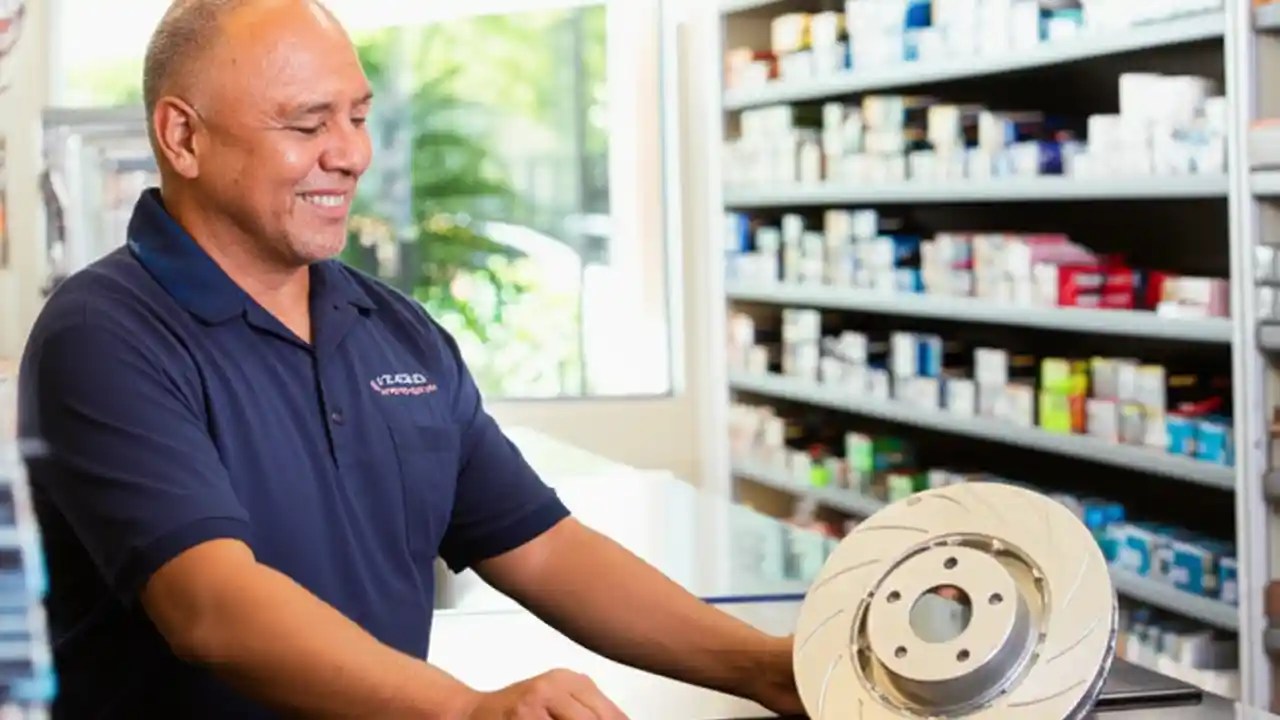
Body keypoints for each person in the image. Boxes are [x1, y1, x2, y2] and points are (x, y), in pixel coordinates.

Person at [15, 0, 804, 718]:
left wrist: (766, 669)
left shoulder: (391, 328)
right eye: (307, 123)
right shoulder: (104, 334)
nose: (352, 154)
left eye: (357, 116)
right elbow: (213, 607)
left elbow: (543, 547)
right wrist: (469, 710)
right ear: (183, 136)